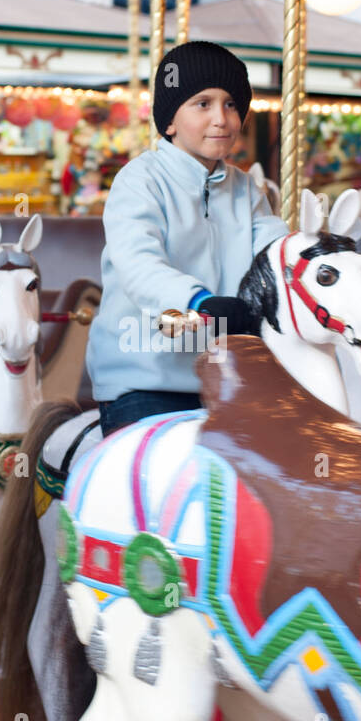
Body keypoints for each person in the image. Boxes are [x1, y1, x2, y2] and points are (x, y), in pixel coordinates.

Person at [86, 41, 286, 436]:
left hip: (228, 379)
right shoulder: (140, 181)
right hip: (146, 379)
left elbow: (274, 256)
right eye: (203, 103)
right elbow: (139, 264)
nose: (222, 118)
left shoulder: (247, 190)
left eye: (231, 104)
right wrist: (199, 303)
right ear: (170, 121)